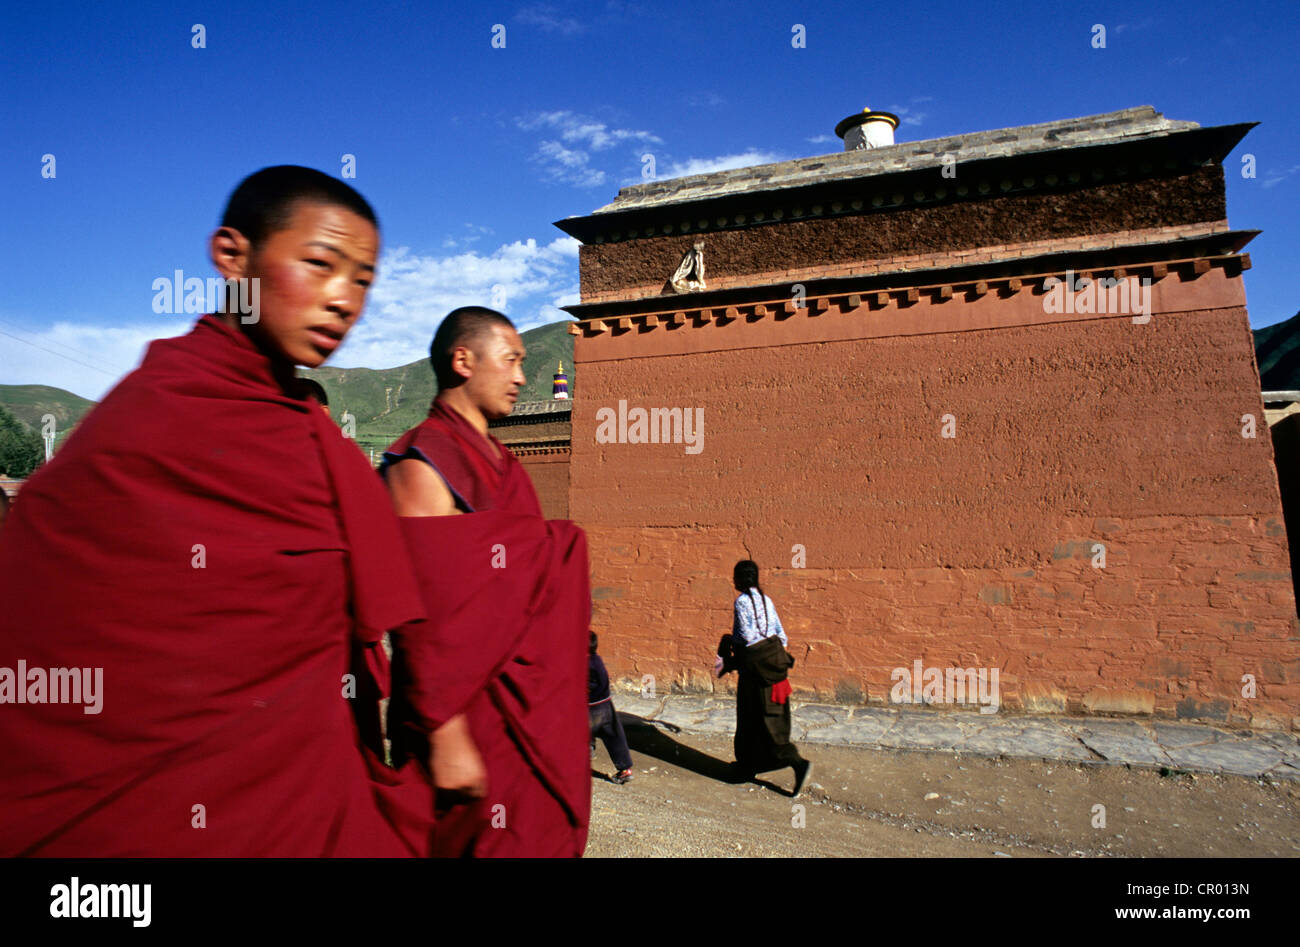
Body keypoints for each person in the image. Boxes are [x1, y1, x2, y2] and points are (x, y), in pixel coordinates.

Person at [0, 166, 433, 856]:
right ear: (232, 256)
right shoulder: (147, 420)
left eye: (362, 281)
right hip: (147, 817)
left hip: (303, 795)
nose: (344, 300)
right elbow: (47, 614)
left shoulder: (318, 441)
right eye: (320, 264)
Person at [382, 306, 591, 858]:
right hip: (459, 717)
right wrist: (445, 731)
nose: (523, 376)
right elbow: (417, 611)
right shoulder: (422, 461)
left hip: (518, 708)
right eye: (512, 360)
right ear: (463, 361)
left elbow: (523, 588)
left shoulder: (506, 465)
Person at [717, 559, 812, 797]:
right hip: (777, 669)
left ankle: (795, 762)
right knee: (776, 717)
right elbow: (782, 636)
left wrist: (729, 647)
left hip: (756, 673)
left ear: (739, 579)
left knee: (752, 719)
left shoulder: (741, 602)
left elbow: (747, 638)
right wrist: (772, 657)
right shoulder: (766, 600)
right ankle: (747, 766)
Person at [588, 631, 633, 784]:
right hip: (605, 706)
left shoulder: (581, 664)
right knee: (615, 737)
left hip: (589, 708)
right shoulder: (597, 660)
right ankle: (625, 769)